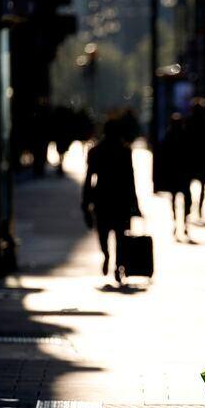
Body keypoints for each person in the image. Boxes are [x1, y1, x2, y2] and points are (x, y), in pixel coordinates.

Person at [82, 115, 141, 283]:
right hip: (121, 198)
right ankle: (118, 264)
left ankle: (106, 254)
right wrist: (134, 203)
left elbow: (88, 179)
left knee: (103, 233)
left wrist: (85, 202)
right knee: (121, 235)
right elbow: (131, 179)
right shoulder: (125, 151)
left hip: (102, 198)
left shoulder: (96, 151)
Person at [156, 112, 194, 240]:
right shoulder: (185, 135)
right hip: (183, 172)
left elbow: (163, 156)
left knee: (174, 198)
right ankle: (183, 222)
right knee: (185, 198)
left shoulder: (168, 135)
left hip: (174, 172)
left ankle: (176, 221)